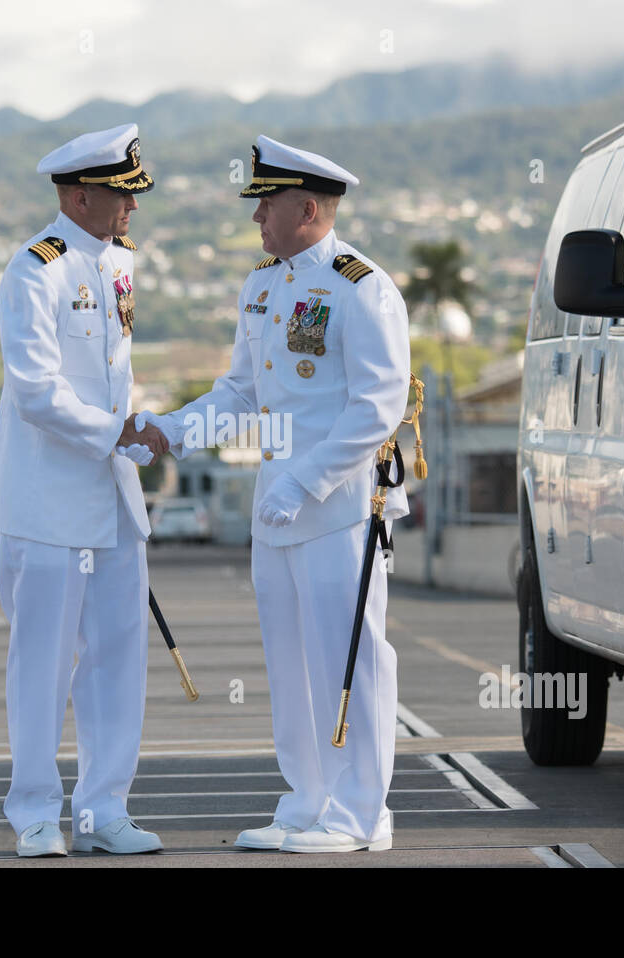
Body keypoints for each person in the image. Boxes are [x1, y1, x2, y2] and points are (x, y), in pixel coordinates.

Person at [139, 135, 411, 852]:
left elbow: (377, 406)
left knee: (350, 657)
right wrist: (171, 430)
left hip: (340, 507)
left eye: (267, 206)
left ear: (310, 208)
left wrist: (305, 478)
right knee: (290, 662)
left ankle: (361, 815)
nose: (257, 220)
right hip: (276, 506)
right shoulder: (262, 286)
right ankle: (308, 798)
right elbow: (240, 391)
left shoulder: (362, 286)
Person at [0, 122, 168, 856]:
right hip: (49, 498)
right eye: (122, 194)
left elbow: (112, 374)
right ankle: (34, 812)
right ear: (80, 194)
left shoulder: (120, 262)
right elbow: (34, 391)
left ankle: (103, 809)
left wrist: (129, 432)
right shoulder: (35, 268)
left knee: (119, 655)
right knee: (43, 662)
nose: (133, 207)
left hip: (113, 496)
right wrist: (115, 432)